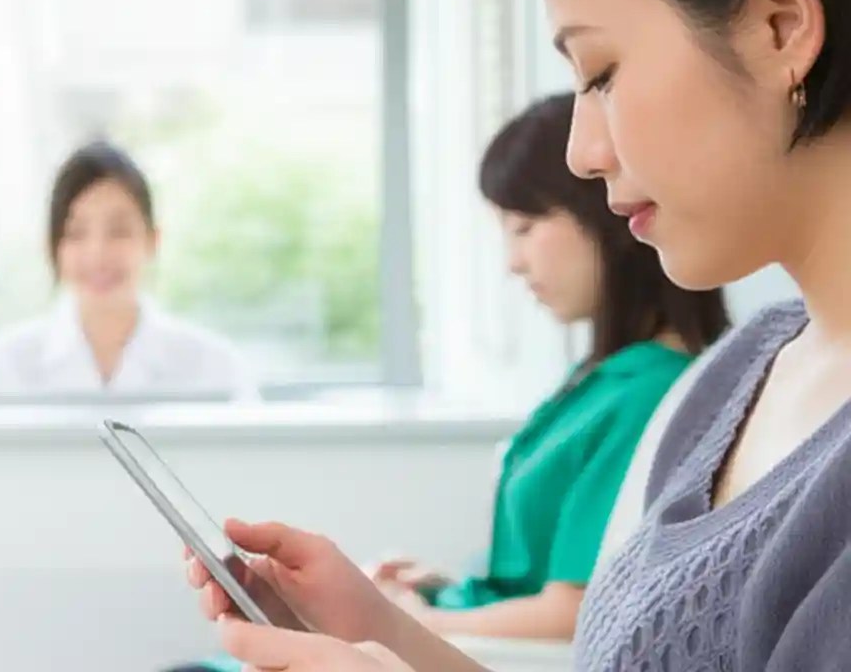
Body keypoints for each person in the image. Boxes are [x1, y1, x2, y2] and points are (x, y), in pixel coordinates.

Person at [183, 0, 851, 670]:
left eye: (601, 73)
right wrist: (379, 633)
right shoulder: (730, 379)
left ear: (781, 26)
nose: (581, 154)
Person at [168, 94, 729, 672]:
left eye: (525, 227)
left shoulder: (649, 393)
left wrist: (409, 621)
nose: (512, 261)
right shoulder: (602, 381)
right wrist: (434, 590)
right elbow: (533, 577)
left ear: (608, 217)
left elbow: (575, 609)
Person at [0, 141, 255, 400]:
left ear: (152, 240)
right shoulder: (7, 368)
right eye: (76, 233)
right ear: (53, 247)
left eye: (119, 231)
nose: (98, 253)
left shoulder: (217, 369)